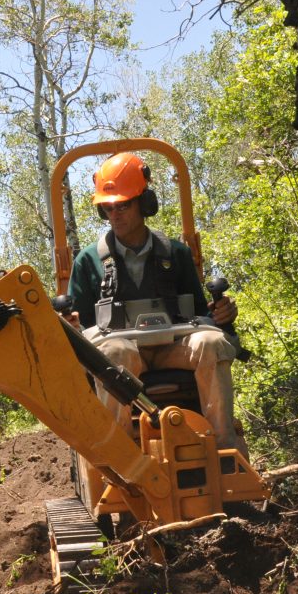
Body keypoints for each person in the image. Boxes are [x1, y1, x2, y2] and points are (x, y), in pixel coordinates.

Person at [67, 151, 247, 456]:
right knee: (112, 351)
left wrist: (222, 315)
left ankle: (225, 454)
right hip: (124, 355)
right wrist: (72, 326)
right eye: (108, 209)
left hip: (172, 349)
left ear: (145, 203)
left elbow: (202, 315)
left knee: (211, 342)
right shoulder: (88, 261)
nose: (115, 215)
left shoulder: (175, 254)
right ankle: (120, 458)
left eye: (123, 205)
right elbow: (79, 326)